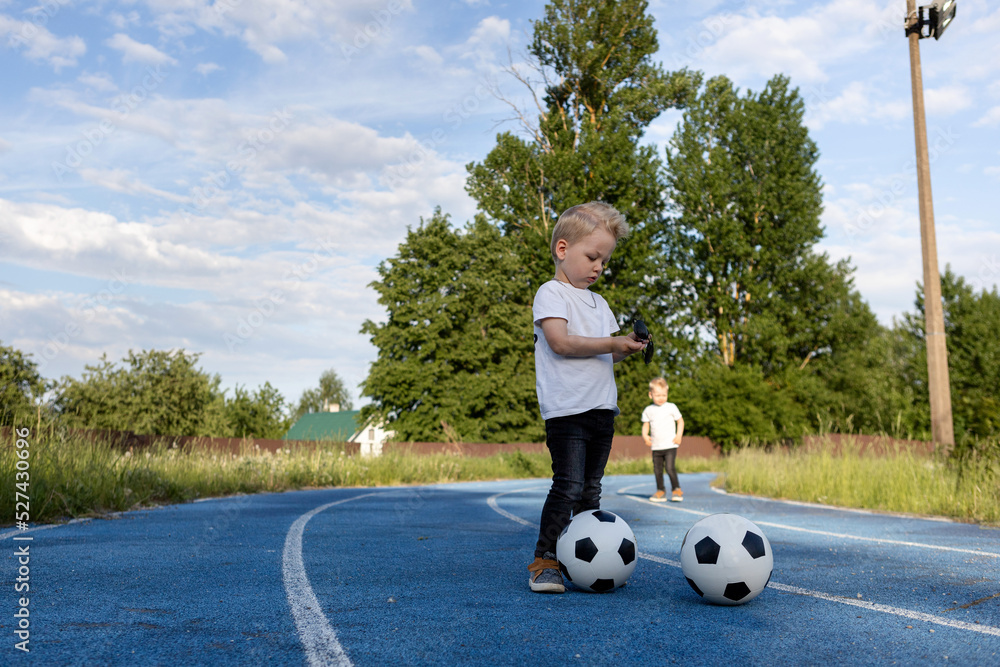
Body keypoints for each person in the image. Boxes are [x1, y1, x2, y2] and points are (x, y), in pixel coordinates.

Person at [527, 201, 647, 594]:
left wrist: (626, 346)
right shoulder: (551, 294)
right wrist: (612, 341)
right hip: (567, 410)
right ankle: (545, 561)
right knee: (568, 485)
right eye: (592, 256)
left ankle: (589, 562)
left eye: (604, 261)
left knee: (591, 491)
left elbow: (606, 351)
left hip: (601, 410)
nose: (598, 267)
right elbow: (561, 343)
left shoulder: (601, 303)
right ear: (563, 250)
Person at [641, 377, 684, 503]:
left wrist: (679, 435)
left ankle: (676, 489)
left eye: (664, 395)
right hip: (656, 446)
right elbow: (645, 425)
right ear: (650, 395)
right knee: (657, 470)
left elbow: (680, 421)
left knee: (670, 468)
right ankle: (660, 491)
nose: (661, 398)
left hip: (670, 445)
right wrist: (645, 436)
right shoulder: (648, 410)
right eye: (658, 395)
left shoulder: (671, 407)